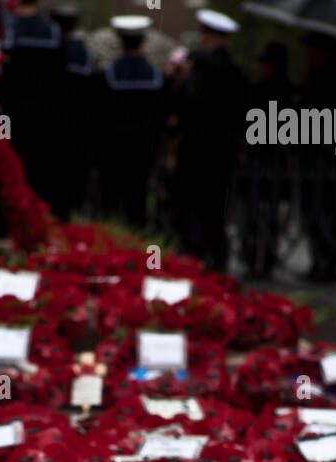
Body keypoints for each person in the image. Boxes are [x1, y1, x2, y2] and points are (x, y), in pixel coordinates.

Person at [171, 9, 247, 272]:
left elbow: (189, 104)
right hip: (223, 151)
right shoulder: (236, 71)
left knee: (192, 203)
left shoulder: (200, 65)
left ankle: (195, 254)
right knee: (216, 208)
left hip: (197, 148)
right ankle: (218, 257)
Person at [96, 16, 166, 230]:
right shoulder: (155, 76)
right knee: (138, 200)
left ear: (119, 40)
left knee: (109, 201)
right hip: (143, 148)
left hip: (112, 148)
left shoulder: (108, 74)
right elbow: (161, 115)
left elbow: (98, 114)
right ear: (144, 40)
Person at [297, 31, 336, 283]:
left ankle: (326, 261)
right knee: (317, 210)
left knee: (324, 210)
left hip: (326, 156)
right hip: (318, 155)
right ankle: (322, 260)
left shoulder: (332, 78)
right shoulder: (320, 76)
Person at [237, 41, 292, 278]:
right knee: (256, 214)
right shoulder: (270, 91)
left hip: (268, 159)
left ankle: (260, 256)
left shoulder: (275, 92)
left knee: (262, 214)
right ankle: (258, 256)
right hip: (262, 159)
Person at [0, 2, 62, 207]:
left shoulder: (10, 28)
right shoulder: (51, 31)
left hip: (11, 110)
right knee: (38, 165)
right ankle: (37, 211)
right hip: (42, 111)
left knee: (12, 160)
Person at [50, 5, 96, 221]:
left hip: (51, 124)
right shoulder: (84, 55)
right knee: (72, 180)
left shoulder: (50, 50)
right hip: (78, 127)